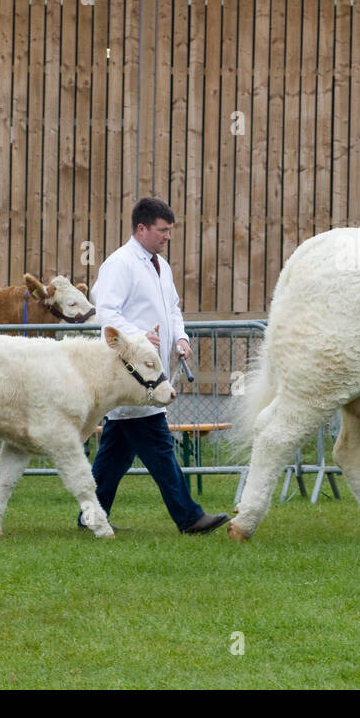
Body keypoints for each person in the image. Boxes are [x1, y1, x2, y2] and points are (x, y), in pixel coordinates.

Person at [82, 197, 229, 535]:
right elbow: (106, 314)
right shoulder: (119, 264)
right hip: (133, 376)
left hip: (153, 374)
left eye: (170, 231)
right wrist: (138, 338)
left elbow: (173, 308)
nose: (167, 237)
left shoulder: (161, 265)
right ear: (141, 228)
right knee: (159, 448)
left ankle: (89, 515)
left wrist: (182, 338)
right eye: (162, 231)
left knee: (114, 455)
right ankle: (189, 517)